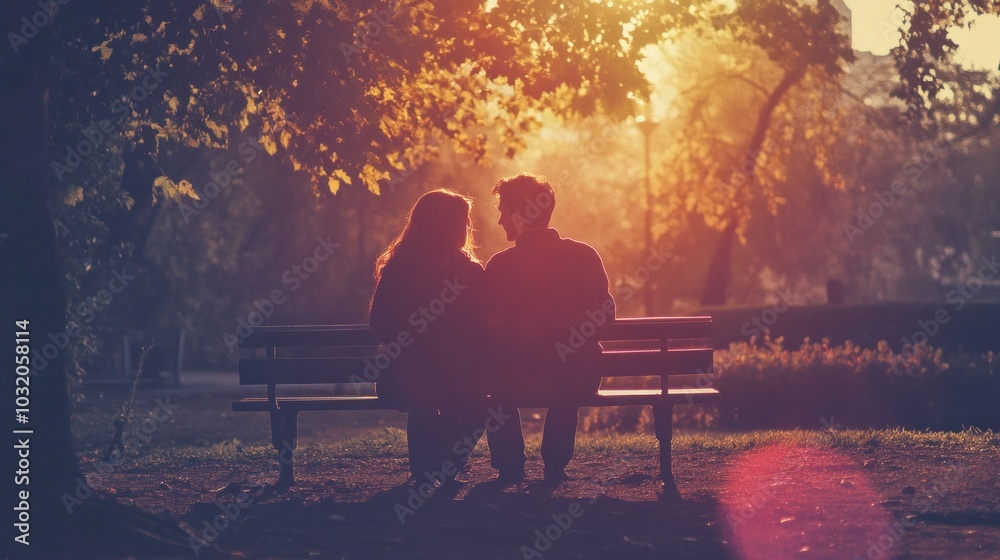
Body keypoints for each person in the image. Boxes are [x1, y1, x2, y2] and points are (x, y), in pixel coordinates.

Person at [482, 173, 616, 483]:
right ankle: (555, 465)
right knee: (568, 381)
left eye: (503, 211)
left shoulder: (501, 265)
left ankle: (509, 466)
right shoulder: (584, 255)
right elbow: (605, 315)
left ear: (519, 214)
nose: (500, 220)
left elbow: (486, 326)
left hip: (517, 375)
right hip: (576, 374)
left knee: (497, 385)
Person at [369, 189, 485, 481]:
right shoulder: (468, 271)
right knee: (474, 404)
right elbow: (484, 325)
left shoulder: (398, 268)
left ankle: (426, 470)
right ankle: (444, 466)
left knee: (424, 398)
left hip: (404, 378)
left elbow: (379, 324)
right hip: (455, 376)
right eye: (463, 222)